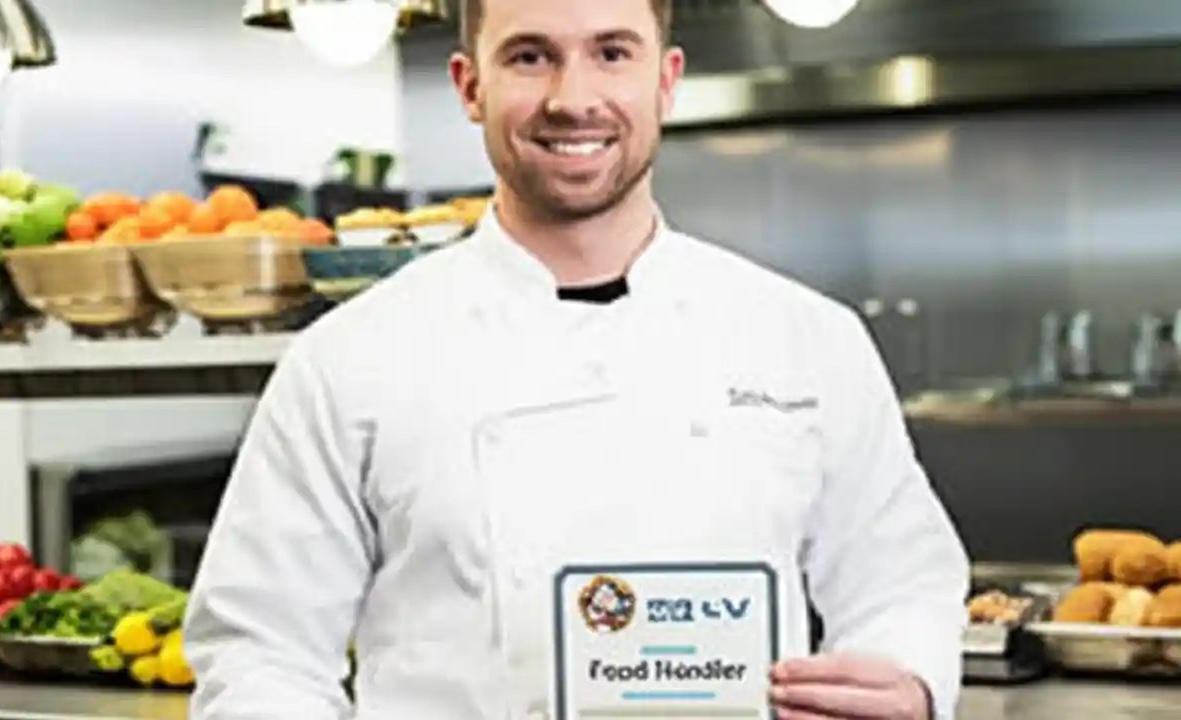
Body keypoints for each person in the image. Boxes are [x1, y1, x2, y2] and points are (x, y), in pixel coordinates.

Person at [182, 0, 971, 718]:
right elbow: (260, 652)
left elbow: (901, 580)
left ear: (666, 81)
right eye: (530, 56)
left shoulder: (807, 339)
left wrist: (907, 680)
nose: (573, 98)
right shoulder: (347, 362)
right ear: (469, 86)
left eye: (612, 53)